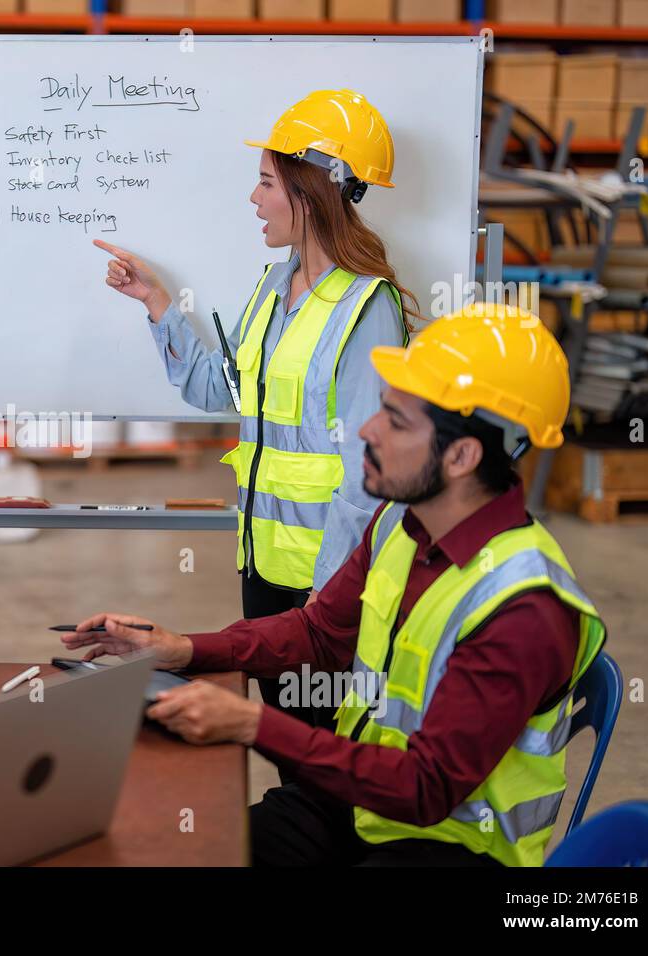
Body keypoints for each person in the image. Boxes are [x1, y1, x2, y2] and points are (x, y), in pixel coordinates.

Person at [60, 304, 606, 867]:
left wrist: (256, 724)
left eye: (395, 420)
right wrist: (186, 648)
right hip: (360, 800)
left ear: (463, 455)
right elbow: (320, 634)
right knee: (199, 853)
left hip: (449, 845)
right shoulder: (400, 522)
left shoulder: (523, 608)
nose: (366, 429)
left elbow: (427, 788)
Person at [93, 89, 417, 735]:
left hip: (326, 584)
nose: (254, 198)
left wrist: (333, 592)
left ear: (309, 189)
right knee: (284, 729)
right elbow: (226, 392)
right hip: (263, 565)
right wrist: (157, 301)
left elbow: (368, 465)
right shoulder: (274, 287)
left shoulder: (366, 306)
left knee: (319, 740)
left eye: (266, 181)